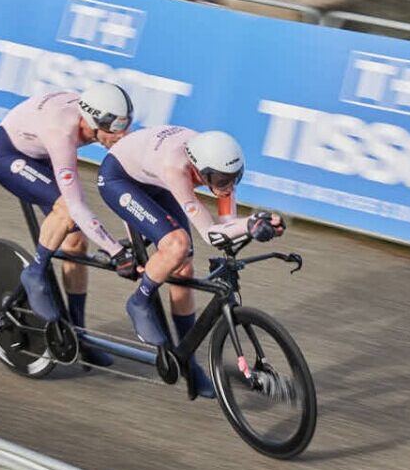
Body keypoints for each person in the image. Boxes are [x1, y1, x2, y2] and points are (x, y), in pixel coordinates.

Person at [97, 126, 285, 399]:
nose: (227, 186)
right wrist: (251, 222)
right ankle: (139, 300)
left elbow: (227, 225)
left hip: (152, 177)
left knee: (184, 265)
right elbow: (210, 234)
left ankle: (188, 361)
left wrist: (256, 224)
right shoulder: (178, 168)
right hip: (120, 178)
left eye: (233, 178)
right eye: (220, 180)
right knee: (177, 245)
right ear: (199, 170)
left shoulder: (217, 164)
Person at [0, 82, 137, 365]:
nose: (122, 135)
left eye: (125, 125)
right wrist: (116, 251)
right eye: (115, 128)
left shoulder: (94, 120)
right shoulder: (62, 132)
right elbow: (76, 206)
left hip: (40, 154)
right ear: (93, 122)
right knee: (68, 211)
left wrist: (135, 241)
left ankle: (79, 333)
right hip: (9, 155)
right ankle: (35, 273)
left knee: (76, 242)